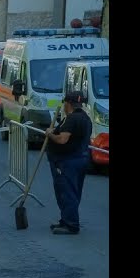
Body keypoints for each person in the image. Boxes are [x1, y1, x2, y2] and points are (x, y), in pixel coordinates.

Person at [45, 91, 92, 235]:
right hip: (80, 159)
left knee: (66, 192)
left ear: (68, 104)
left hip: (68, 161)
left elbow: (62, 140)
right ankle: (66, 219)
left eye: (65, 103)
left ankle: (71, 224)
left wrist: (50, 134)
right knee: (73, 191)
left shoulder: (72, 119)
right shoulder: (85, 118)